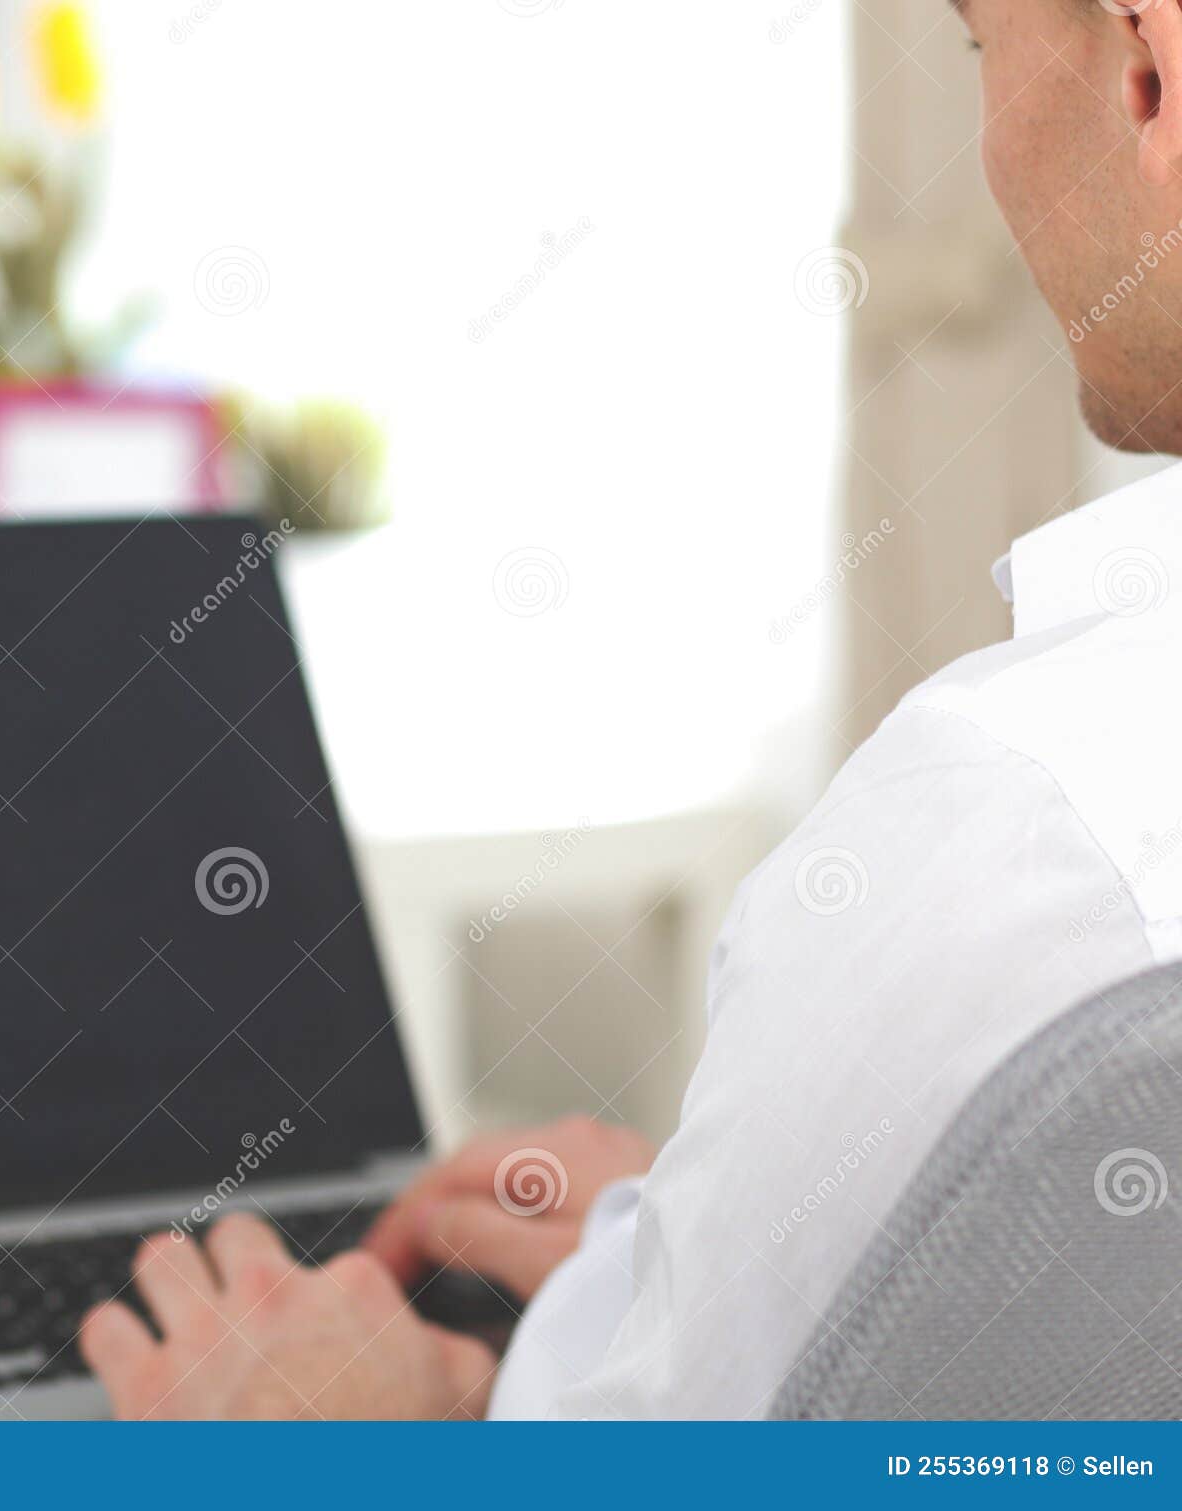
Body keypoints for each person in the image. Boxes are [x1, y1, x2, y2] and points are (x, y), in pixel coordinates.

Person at [80, 0, 1182, 1417]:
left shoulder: (1018, 824)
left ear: (1147, 67)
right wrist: (690, 1244)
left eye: (983, 46)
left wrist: (338, 1434)